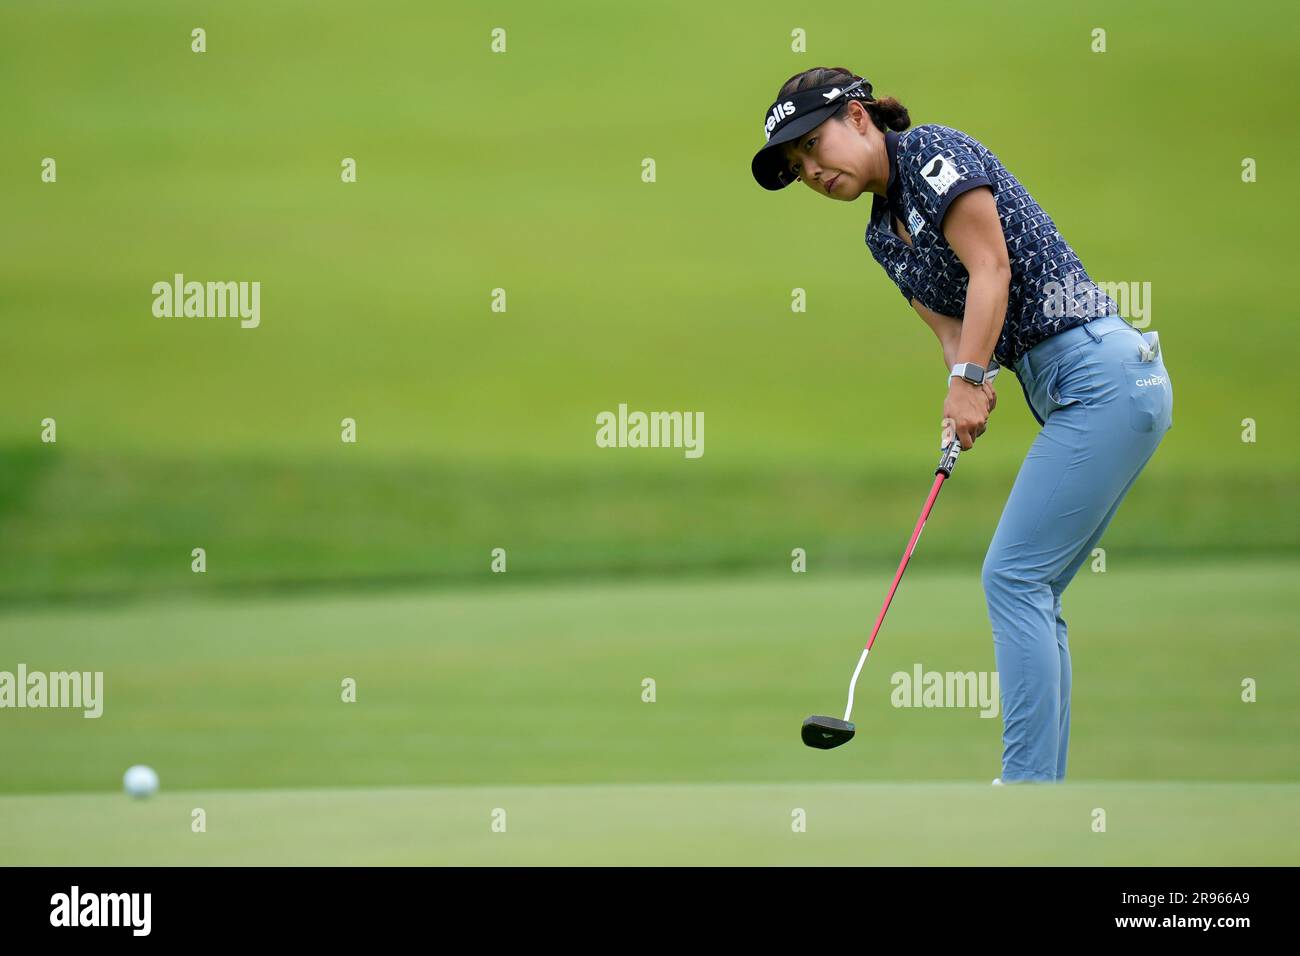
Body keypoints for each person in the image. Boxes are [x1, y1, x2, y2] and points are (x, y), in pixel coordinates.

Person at [751, 66, 1174, 783]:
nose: (812, 172)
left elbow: (992, 270)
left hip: (1101, 375)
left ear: (859, 118)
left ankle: (1025, 792)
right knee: (1031, 589)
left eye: (813, 146)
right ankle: (1043, 793)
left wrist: (973, 381)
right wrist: (960, 392)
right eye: (797, 168)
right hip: (1077, 390)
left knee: (1012, 580)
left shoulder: (932, 154)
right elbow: (953, 336)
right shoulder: (882, 238)